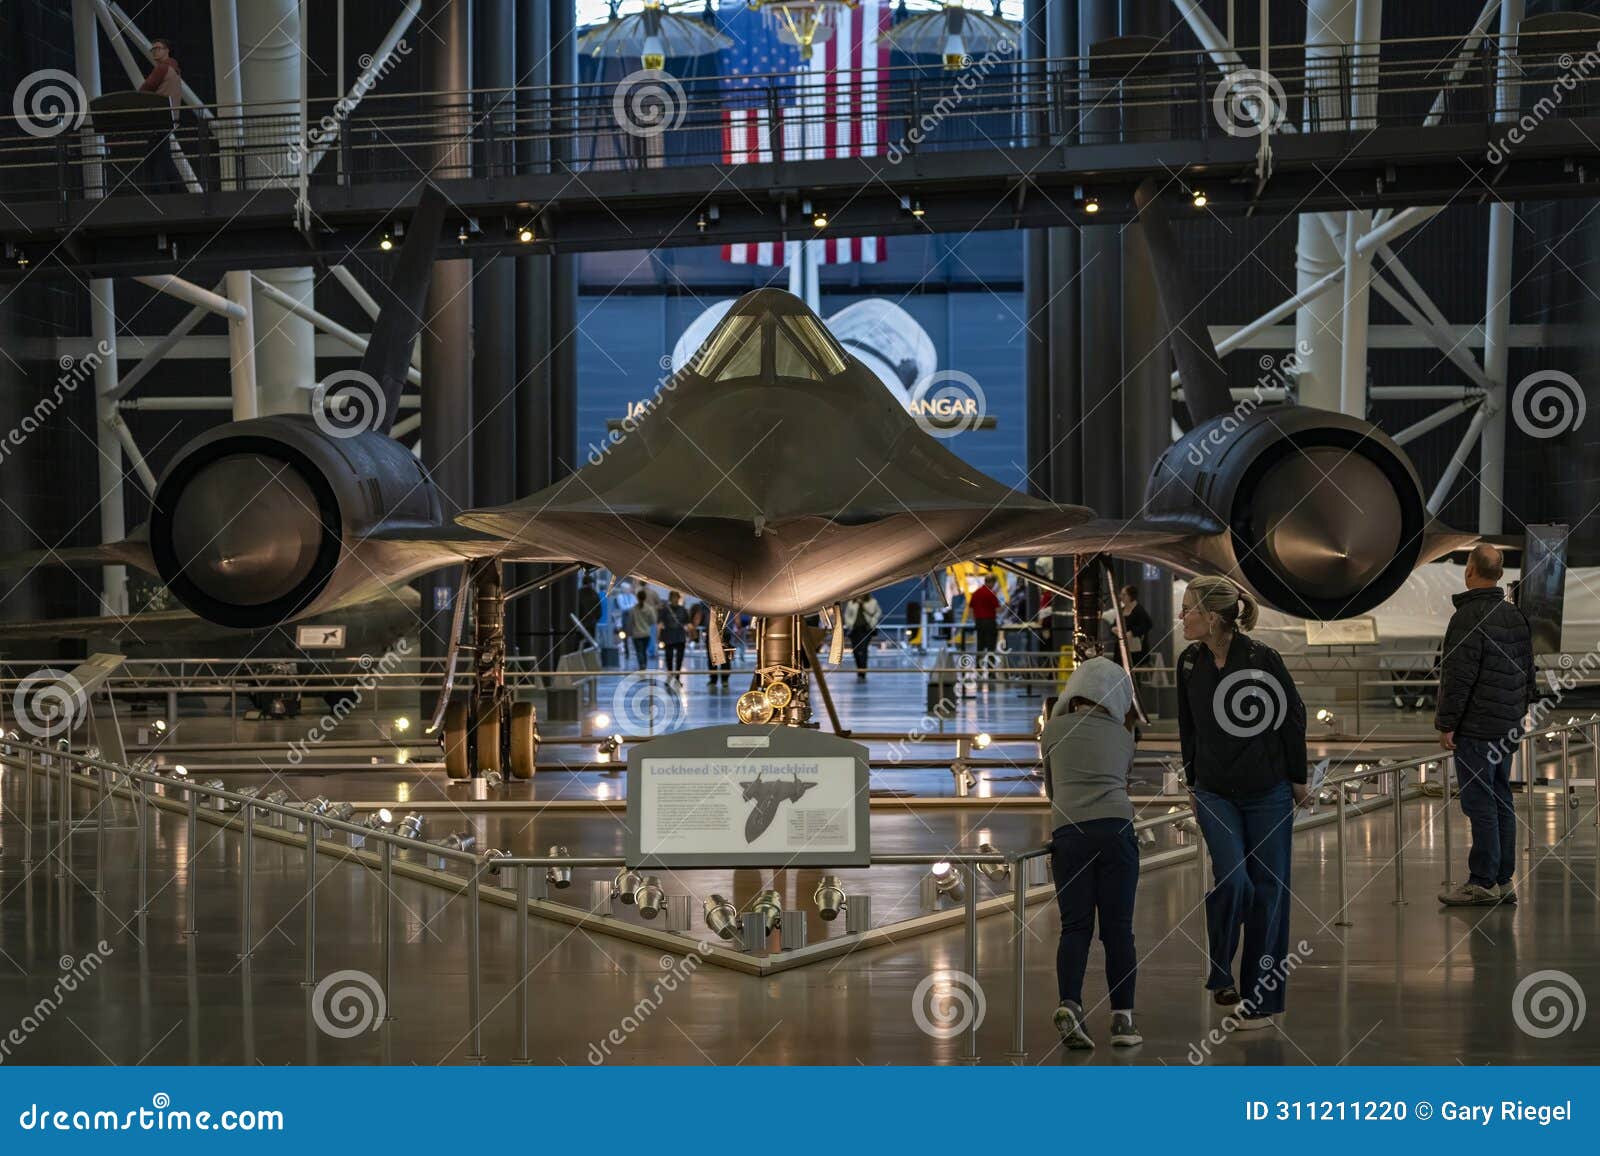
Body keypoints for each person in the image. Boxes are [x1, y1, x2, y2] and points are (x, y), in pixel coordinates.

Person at [1177, 575, 1308, 1031]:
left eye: (1188, 608)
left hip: (1268, 791)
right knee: (1234, 881)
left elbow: (1293, 716)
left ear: (1211, 616)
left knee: (1269, 892)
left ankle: (1261, 999)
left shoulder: (1260, 658)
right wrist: (1191, 782)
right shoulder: (1189, 662)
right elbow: (1187, 726)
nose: (1181, 617)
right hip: (1215, 792)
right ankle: (1220, 972)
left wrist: (1297, 778)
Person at [1042, 657, 1143, 1050]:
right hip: (1116, 831)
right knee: (1119, 930)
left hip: (1070, 833)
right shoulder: (1123, 736)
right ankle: (1123, 1022)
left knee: (1075, 928)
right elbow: (1124, 779)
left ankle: (1071, 1002)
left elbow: (1051, 787)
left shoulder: (1052, 731)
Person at [1434, 544, 1537, 907]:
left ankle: (1482, 881)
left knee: (1479, 803)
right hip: (1507, 724)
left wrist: (1447, 724)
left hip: (1477, 729)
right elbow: (1529, 672)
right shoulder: (1515, 615)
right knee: (1501, 798)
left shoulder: (1466, 618)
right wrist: (1518, 713)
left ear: (1470, 571)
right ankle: (1503, 880)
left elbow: (1458, 679)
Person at [843, 593, 882, 680]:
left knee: (863, 649)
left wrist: (873, 622)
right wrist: (849, 624)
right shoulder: (851, 603)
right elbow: (847, 615)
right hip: (854, 630)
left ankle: (863, 671)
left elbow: (877, 613)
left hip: (866, 629)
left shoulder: (872, 602)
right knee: (856, 650)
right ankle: (859, 669)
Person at [968, 574, 1001, 676]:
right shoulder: (991, 593)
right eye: (994, 583)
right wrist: (1006, 605)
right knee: (991, 648)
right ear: (991, 582)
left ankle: (978, 669)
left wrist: (975, 620)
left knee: (980, 646)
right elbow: (998, 610)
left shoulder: (976, 593)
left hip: (979, 622)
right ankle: (991, 672)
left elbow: (970, 609)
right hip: (990, 622)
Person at [1117, 585, 1153, 666]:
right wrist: (1113, 629)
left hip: (1136, 651)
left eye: (1124, 595)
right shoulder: (1121, 610)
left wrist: (1133, 632)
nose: (1121, 597)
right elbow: (1115, 623)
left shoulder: (1139, 610)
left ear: (1131, 596)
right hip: (1122, 649)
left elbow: (1148, 625)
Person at [660, 591, 689, 681]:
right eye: (673, 597)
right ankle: (670, 676)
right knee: (669, 658)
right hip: (668, 636)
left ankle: (677, 678)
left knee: (679, 659)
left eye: (676, 597)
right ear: (670, 598)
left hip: (680, 636)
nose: (674, 599)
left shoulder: (683, 609)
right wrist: (660, 637)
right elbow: (661, 623)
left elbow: (687, 622)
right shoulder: (665, 610)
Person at [626, 594, 657, 672]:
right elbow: (653, 620)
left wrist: (629, 632)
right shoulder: (649, 609)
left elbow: (630, 621)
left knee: (639, 651)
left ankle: (642, 666)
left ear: (637, 598)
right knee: (644, 651)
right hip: (646, 633)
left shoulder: (633, 609)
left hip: (636, 634)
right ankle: (644, 666)